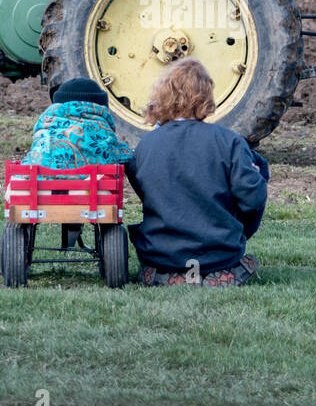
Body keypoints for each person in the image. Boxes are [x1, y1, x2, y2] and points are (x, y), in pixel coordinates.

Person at [124, 58, 268, 287]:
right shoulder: (229, 141)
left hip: (161, 257)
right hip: (219, 257)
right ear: (206, 95)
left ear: (162, 95)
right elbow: (253, 198)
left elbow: (146, 192)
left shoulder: (145, 146)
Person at [21, 77, 133, 249]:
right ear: (101, 106)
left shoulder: (46, 126)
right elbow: (122, 156)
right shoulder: (102, 130)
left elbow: (35, 154)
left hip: (42, 193)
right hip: (91, 195)